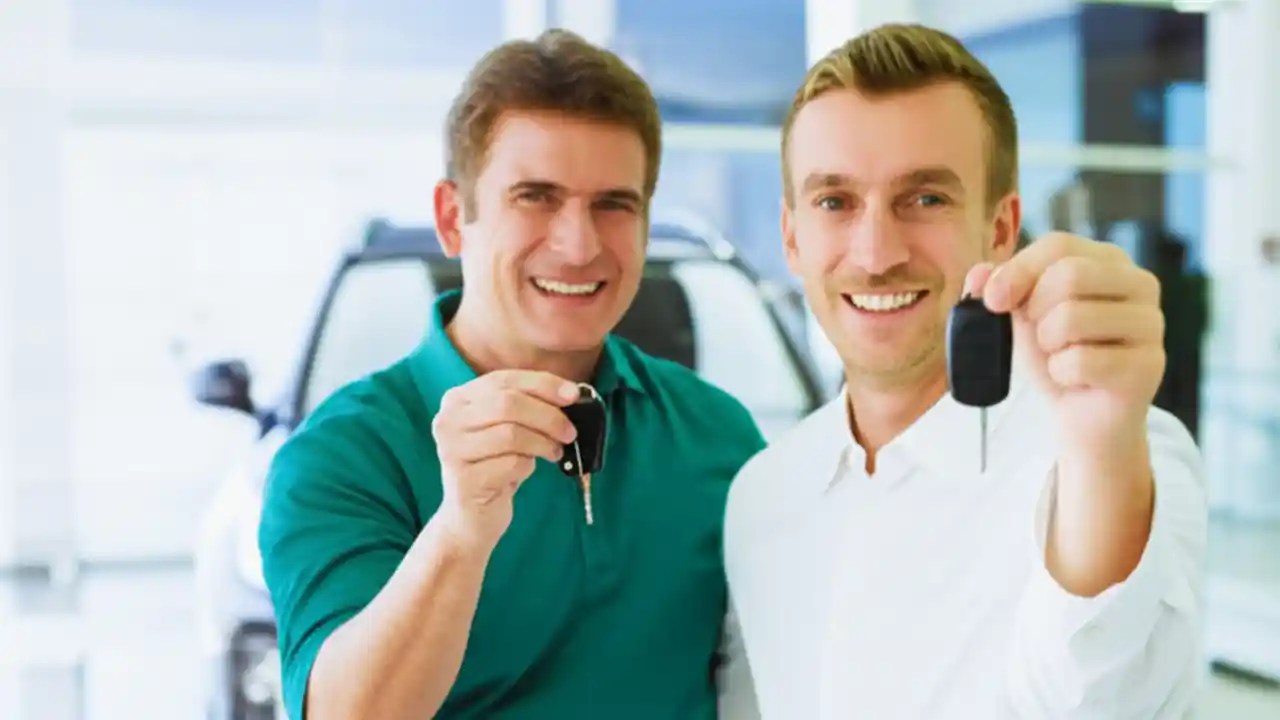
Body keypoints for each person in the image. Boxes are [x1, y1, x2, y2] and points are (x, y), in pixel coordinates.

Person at [258, 29, 765, 719]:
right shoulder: (342, 456)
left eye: (614, 204)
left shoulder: (719, 435)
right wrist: (463, 529)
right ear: (451, 218)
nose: (579, 244)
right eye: (536, 197)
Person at [724, 24, 1207, 719]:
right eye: (835, 201)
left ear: (1002, 227)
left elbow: (1109, 698)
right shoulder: (761, 496)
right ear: (792, 236)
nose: (877, 251)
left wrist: (1102, 450)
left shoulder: (1123, 458)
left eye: (925, 198)